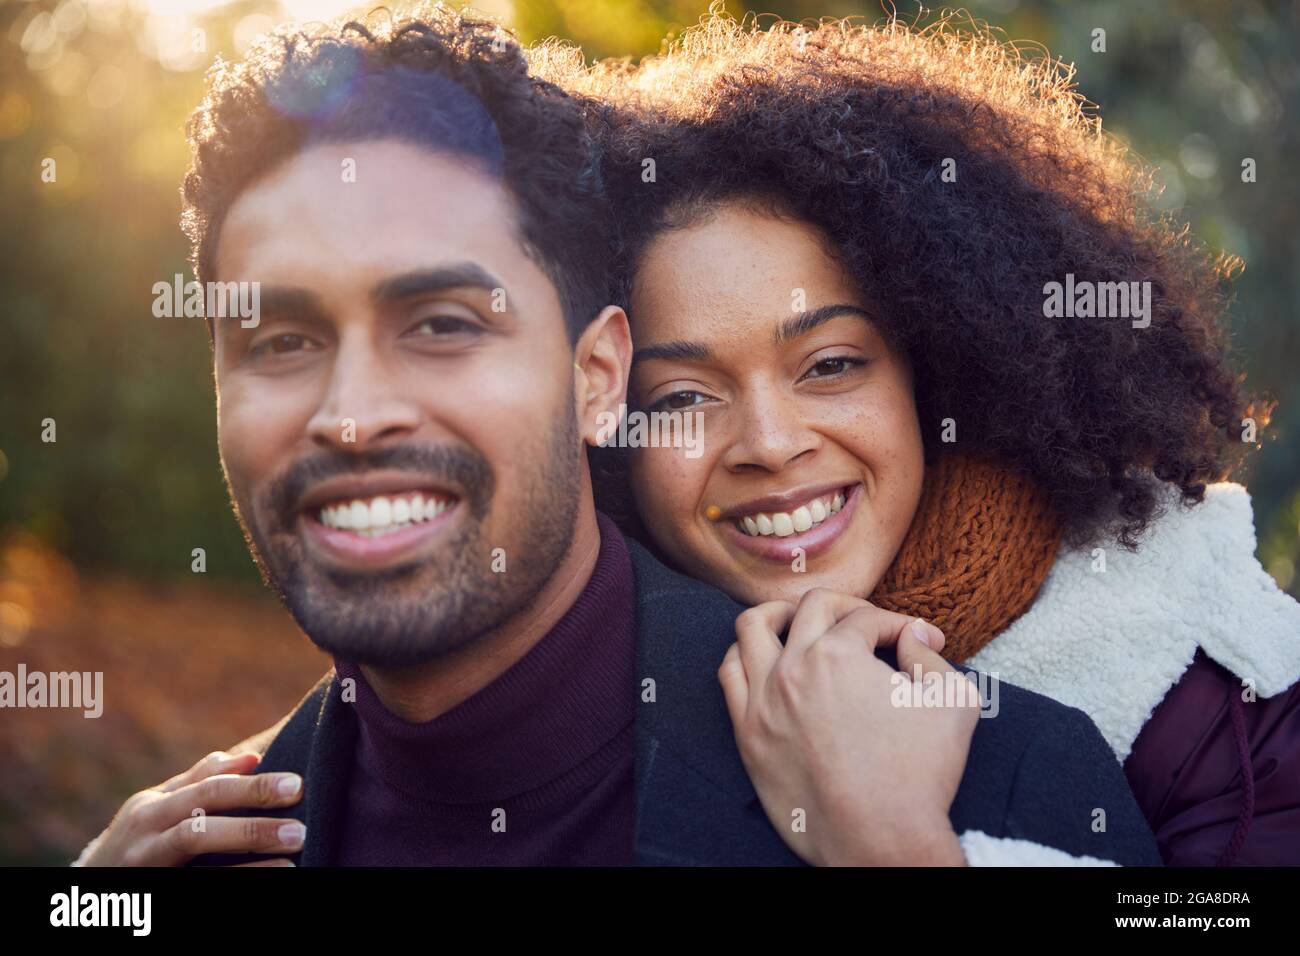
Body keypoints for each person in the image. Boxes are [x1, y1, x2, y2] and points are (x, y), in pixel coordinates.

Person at [73, 6, 1160, 868]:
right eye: (281, 340)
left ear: (597, 379)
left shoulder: (985, 774)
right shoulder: (200, 849)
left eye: (443, 324)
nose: (351, 414)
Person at [545, 13, 1300, 865]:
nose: (769, 441)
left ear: (934, 368)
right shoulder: (576, 713)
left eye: (829, 365)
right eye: (683, 395)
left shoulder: (1214, 680)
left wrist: (889, 842)